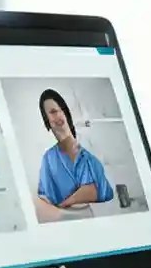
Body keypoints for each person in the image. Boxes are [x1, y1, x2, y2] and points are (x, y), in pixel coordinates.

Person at [35, 88, 115, 217]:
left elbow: (96, 190)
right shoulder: (49, 158)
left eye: (61, 110)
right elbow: (44, 198)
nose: (58, 115)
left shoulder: (88, 152)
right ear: (46, 120)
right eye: (53, 112)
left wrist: (64, 204)